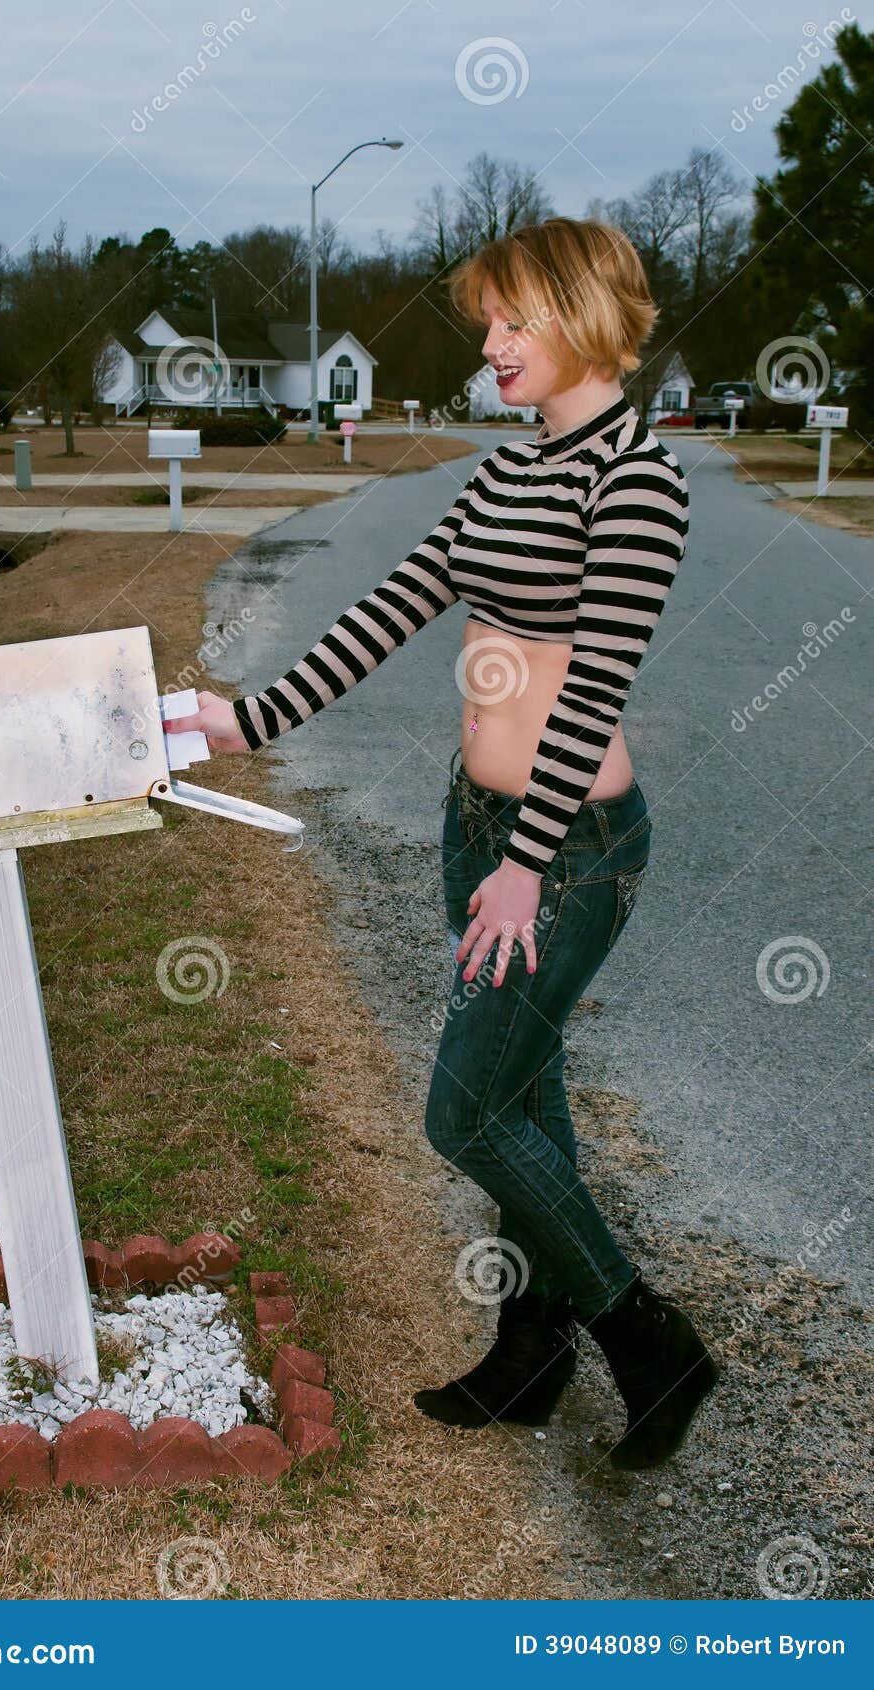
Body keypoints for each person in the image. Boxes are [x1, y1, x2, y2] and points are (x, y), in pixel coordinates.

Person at [164, 216, 718, 1471]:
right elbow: (391, 608)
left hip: (565, 844)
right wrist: (242, 718)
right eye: (488, 321)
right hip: (474, 826)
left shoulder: (636, 478)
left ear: (582, 316)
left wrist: (525, 865)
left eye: (515, 318)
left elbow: (592, 689)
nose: (492, 343)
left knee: (465, 1110)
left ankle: (649, 1338)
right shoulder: (503, 472)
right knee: (525, 1088)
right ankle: (532, 1344)